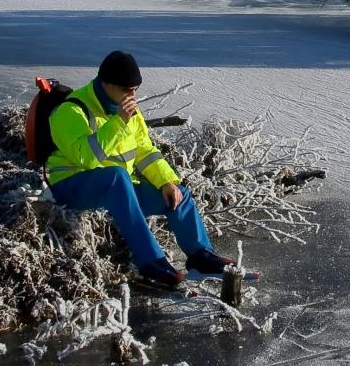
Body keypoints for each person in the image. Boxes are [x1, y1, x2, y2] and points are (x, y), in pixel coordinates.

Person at [47, 51, 236, 287]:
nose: (132, 96)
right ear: (106, 83)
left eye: (135, 90)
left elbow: (145, 151)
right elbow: (87, 158)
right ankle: (150, 262)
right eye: (127, 90)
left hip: (116, 190)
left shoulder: (128, 112)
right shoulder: (71, 110)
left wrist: (166, 182)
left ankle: (201, 256)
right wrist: (119, 123)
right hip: (70, 187)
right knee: (116, 177)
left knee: (179, 196)